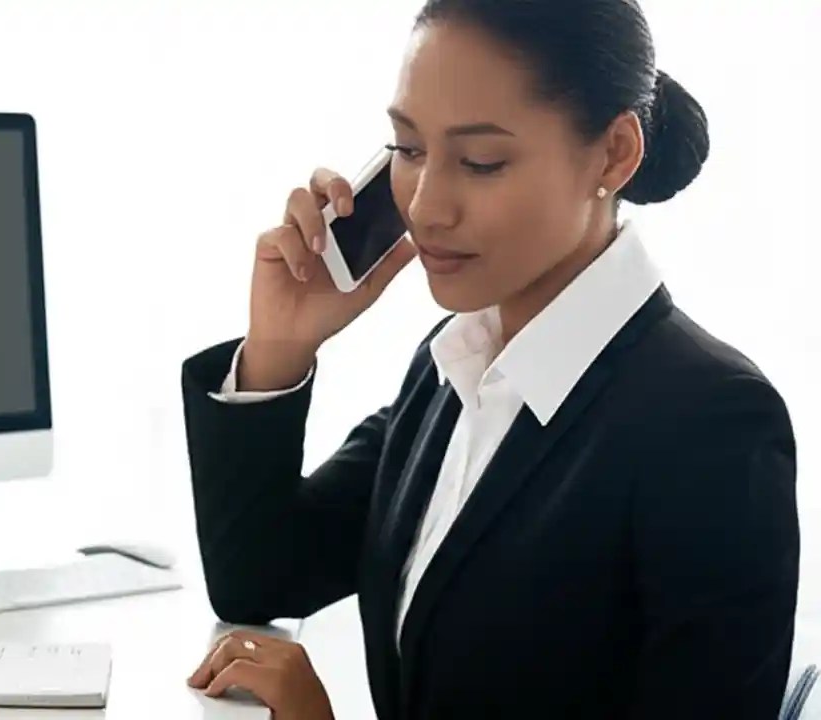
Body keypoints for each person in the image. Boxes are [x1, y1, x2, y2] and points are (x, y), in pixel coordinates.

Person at [180, 0, 800, 718]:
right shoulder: (456, 368)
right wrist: (279, 349)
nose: (426, 206)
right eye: (409, 150)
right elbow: (259, 580)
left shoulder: (712, 426)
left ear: (614, 154)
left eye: (480, 161)